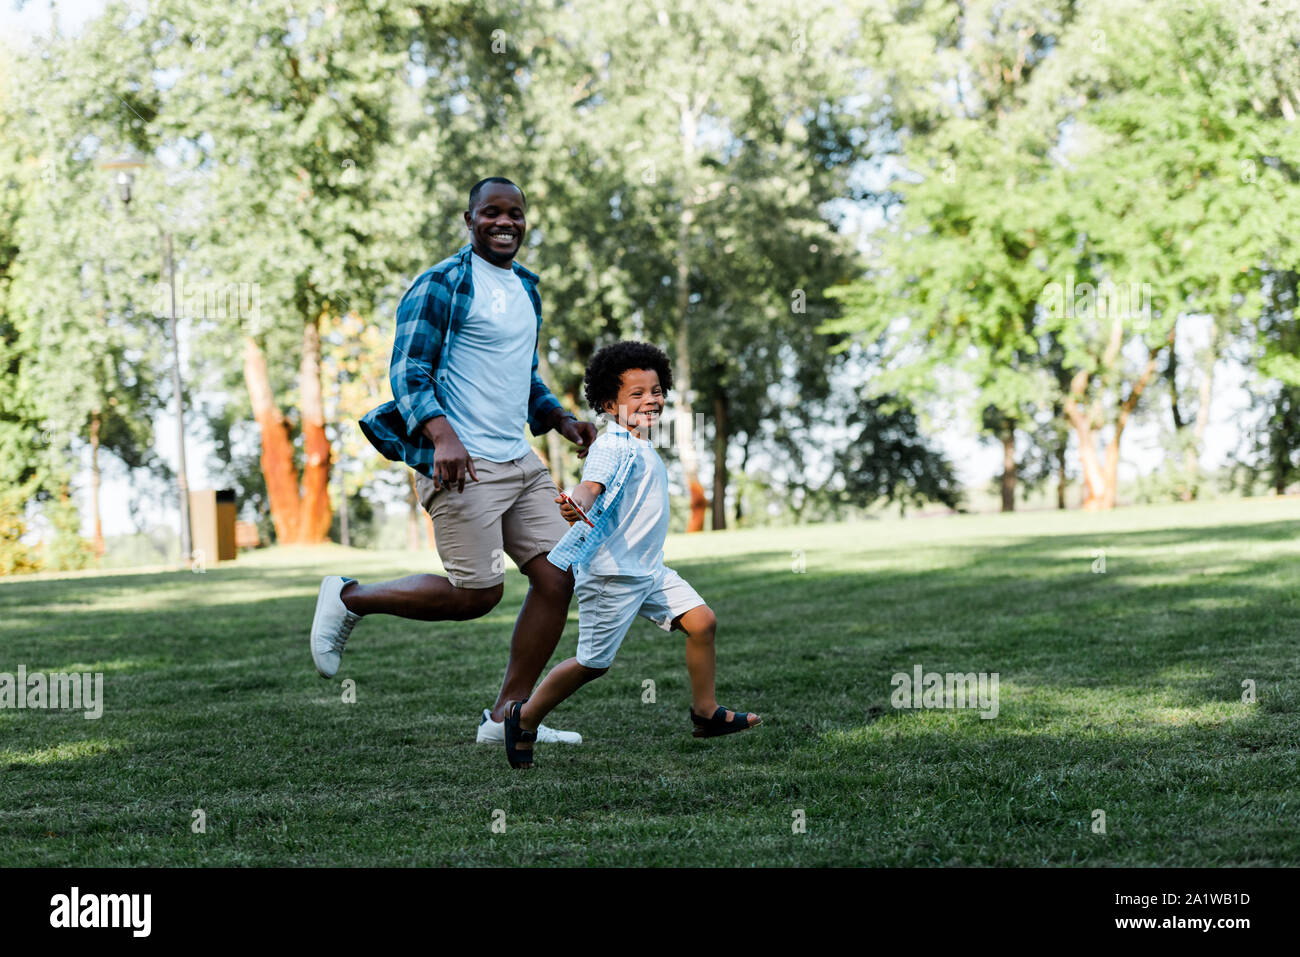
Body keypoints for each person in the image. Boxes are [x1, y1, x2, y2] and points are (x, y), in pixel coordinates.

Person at [309, 177, 596, 745]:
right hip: (463, 462)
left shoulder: (526, 289)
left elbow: (521, 374)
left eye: (514, 213)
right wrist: (442, 435)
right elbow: (408, 369)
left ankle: (505, 719)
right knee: (477, 594)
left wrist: (561, 419)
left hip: (519, 458)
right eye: (491, 213)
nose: (504, 223)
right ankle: (348, 597)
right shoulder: (441, 283)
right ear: (470, 220)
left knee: (557, 577)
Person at [500, 340, 760, 769]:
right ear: (608, 403)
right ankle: (523, 717)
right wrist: (578, 500)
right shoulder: (613, 446)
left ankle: (705, 713)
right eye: (635, 394)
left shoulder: (639, 444)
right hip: (611, 575)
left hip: (648, 570)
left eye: (655, 391)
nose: (650, 400)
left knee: (703, 621)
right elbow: (592, 485)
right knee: (592, 663)